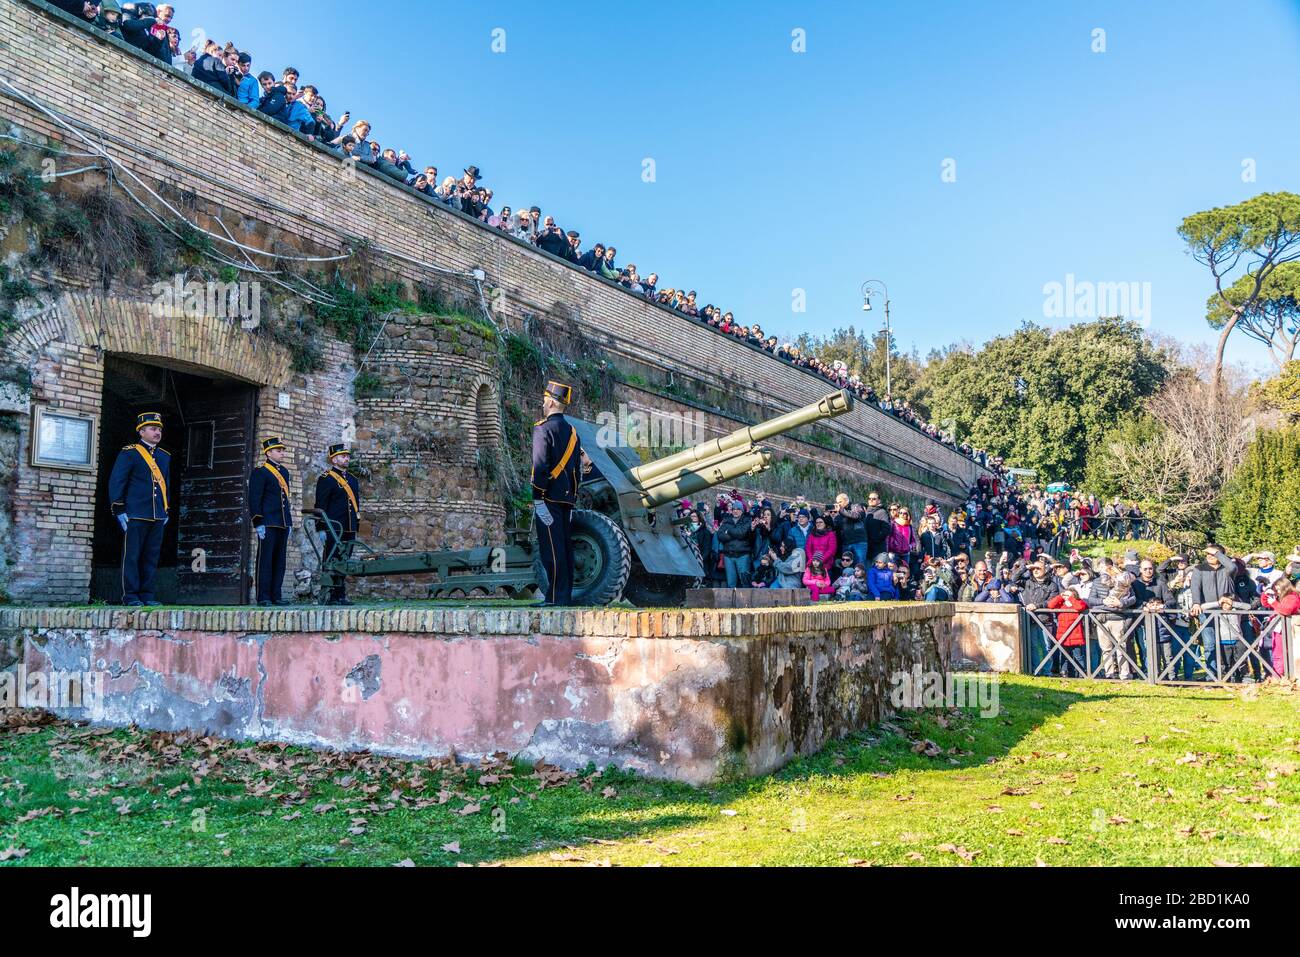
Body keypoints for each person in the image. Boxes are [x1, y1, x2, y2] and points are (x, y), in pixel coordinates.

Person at [108, 412, 170, 606]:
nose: (157, 432)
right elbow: (118, 481)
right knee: (132, 556)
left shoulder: (164, 456)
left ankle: (147, 595)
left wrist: (165, 509)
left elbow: (165, 484)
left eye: (159, 429)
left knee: (151, 557)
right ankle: (131, 596)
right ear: (141, 431)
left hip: (157, 514)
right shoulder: (130, 453)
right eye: (153, 428)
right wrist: (118, 508)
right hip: (135, 513)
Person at [531, 381, 584, 606]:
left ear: (551, 401)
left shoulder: (543, 428)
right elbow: (577, 468)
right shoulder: (572, 432)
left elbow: (540, 465)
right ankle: (564, 595)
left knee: (550, 549)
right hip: (566, 499)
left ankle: (554, 598)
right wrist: (572, 497)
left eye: (545, 400)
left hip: (548, 498)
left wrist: (537, 496)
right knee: (564, 548)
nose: (543, 403)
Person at [314, 443, 361, 606]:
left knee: (344, 561)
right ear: (334, 459)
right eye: (342, 456)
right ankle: (331, 596)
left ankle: (341, 595)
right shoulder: (326, 479)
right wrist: (320, 527)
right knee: (332, 560)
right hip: (334, 527)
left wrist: (356, 524)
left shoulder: (353, 480)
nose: (346, 458)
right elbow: (320, 505)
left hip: (349, 526)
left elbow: (356, 505)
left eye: (347, 456)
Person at [249, 437, 294, 606]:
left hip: (282, 522)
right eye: (278, 450)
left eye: (282, 450)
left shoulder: (285, 472)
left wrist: (288, 522)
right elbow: (254, 499)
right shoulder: (260, 472)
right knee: (265, 560)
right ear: (268, 453)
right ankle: (263, 596)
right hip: (268, 521)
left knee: (279, 561)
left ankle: (276, 595)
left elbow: (285, 500)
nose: (282, 453)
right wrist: (258, 522)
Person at [717, 500, 755, 588]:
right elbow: (720, 535)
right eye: (733, 509)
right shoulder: (726, 520)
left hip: (743, 555)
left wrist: (729, 531)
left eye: (738, 509)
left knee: (744, 582)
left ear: (742, 510)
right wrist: (735, 534)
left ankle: (746, 601)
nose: (735, 510)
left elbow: (742, 534)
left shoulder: (747, 520)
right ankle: (732, 601)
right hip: (728, 556)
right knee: (731, 584)